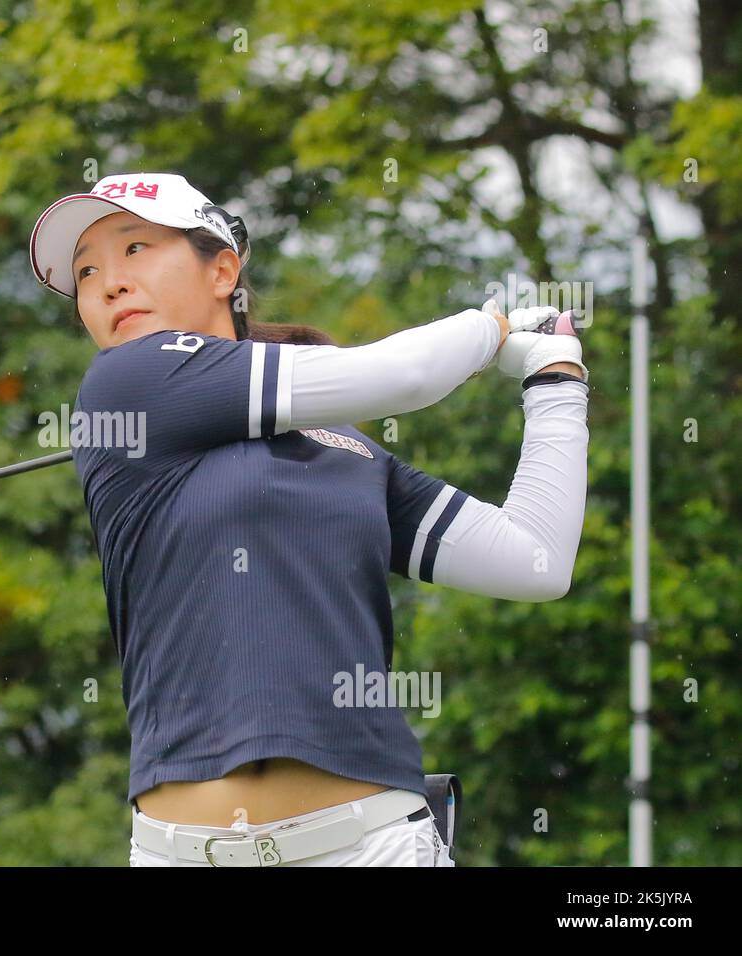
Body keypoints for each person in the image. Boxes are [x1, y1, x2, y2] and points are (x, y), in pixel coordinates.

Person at [29, 172, 590, 866]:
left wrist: (556, 383)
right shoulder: (125, 384)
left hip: (373, 846)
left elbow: (533, 561)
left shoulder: (346, 450)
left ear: (222, 270)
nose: (108, 283)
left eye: (135, 248)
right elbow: (405, 377)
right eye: (86, 272)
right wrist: (495, 325)